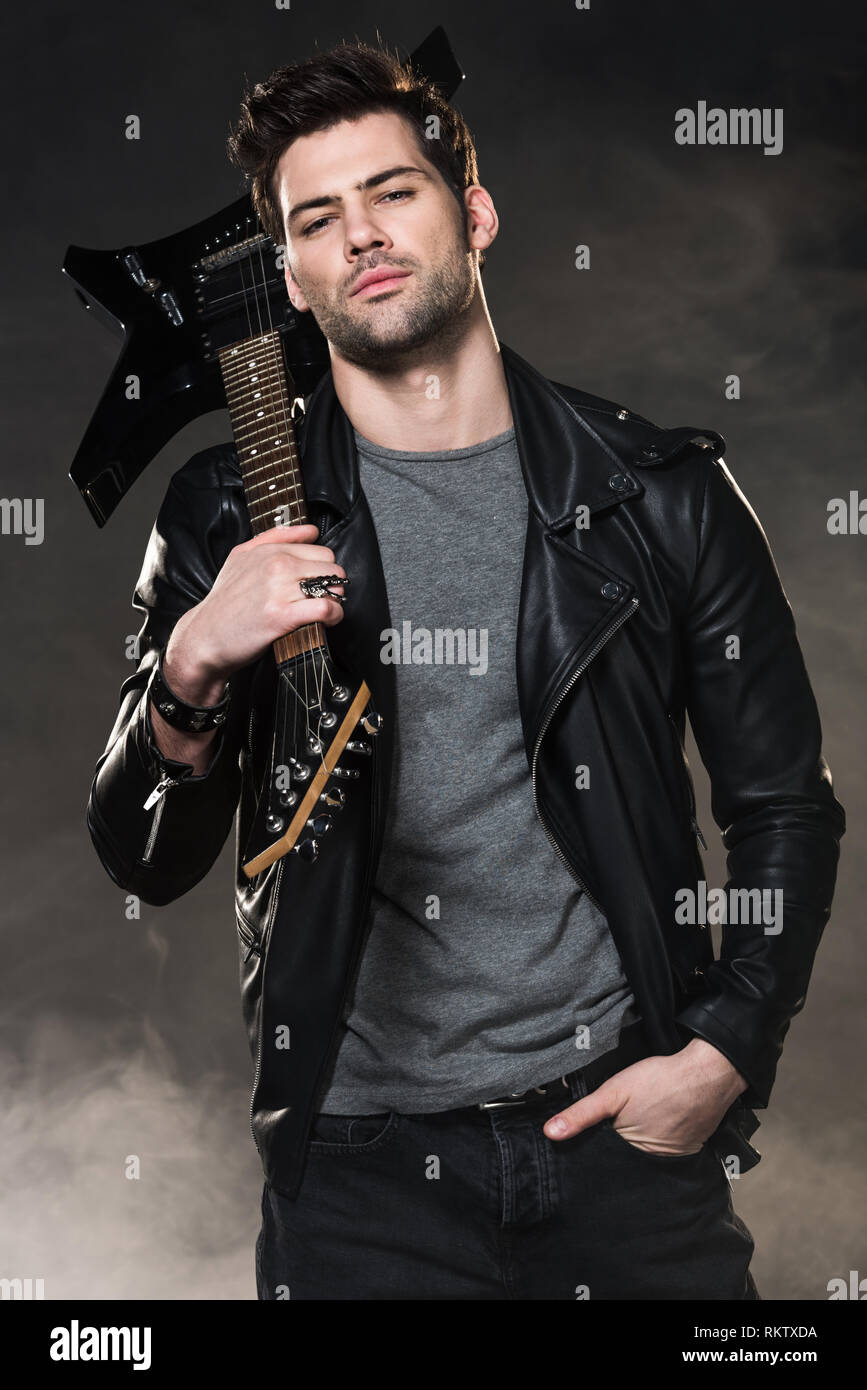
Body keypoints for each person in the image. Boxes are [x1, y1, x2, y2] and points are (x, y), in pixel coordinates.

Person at [87, 39, 845, 1300]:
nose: (363, 235)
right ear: (291, 270)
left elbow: (783, 805)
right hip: (359, 1175)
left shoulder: (655, 496)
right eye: (318, 218)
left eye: (395, 192)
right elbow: (144, 859)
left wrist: (725, 1053)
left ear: (474, 212)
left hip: (624, 1142)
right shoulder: (230, 511)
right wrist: (192, 668)